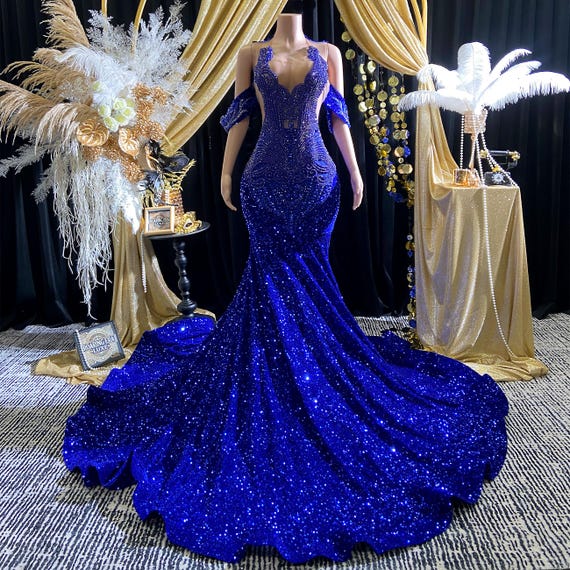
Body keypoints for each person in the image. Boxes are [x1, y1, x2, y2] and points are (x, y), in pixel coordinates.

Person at [63, 3, 509, 564]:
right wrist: (226, 172)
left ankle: (311, 363)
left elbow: (338, 120)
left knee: (311, 279)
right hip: (263, 181)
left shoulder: (330, 54)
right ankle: (277, 368)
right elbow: (239, 119)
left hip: (318, 179)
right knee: (268, 280)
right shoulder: (250, 54)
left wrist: (353, 171)